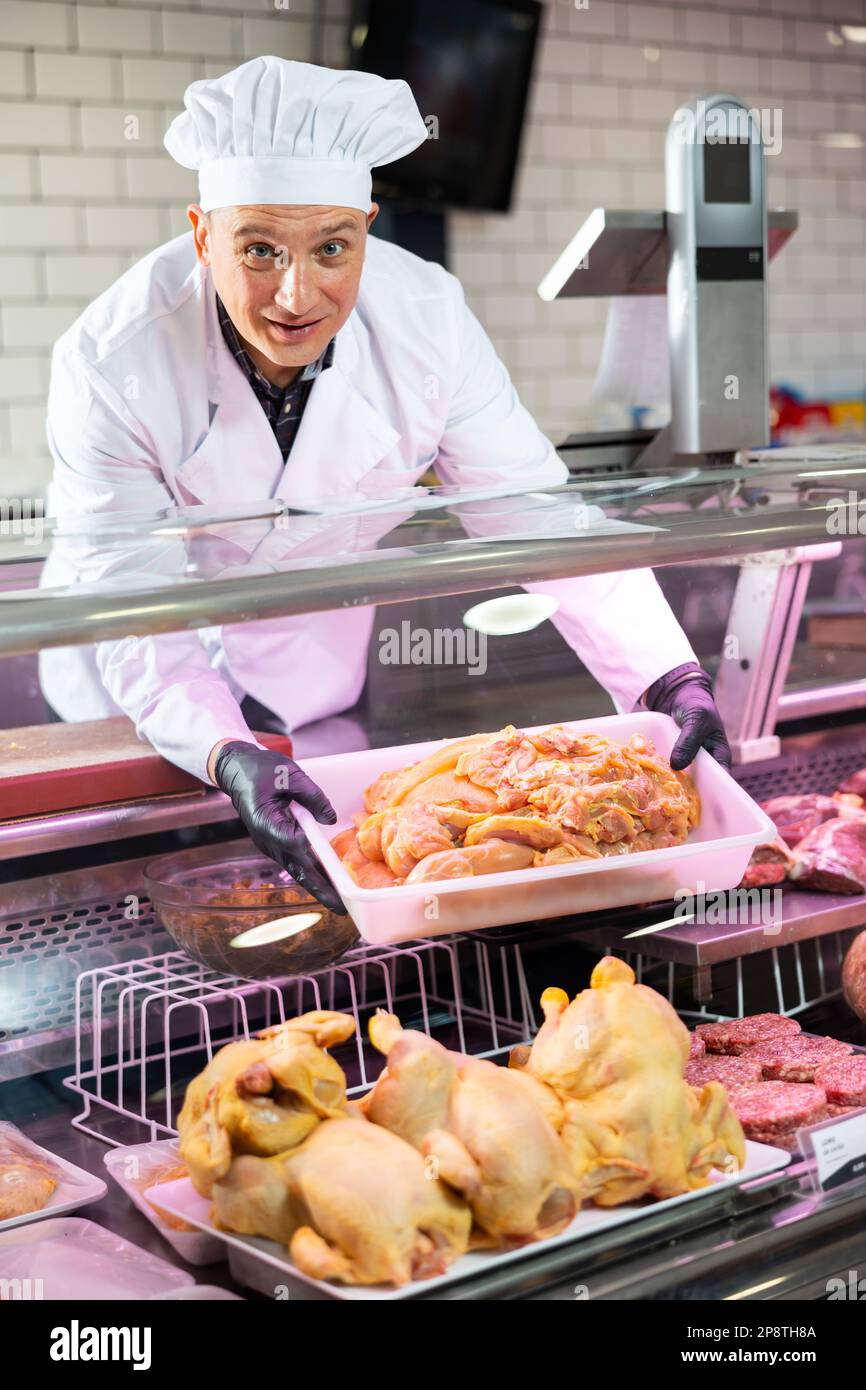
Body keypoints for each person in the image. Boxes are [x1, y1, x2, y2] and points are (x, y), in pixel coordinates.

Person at [41, 56, 730, 912]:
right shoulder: (114, 358)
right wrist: (220, 750)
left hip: (311, 687)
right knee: (154, 903)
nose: (297, 295)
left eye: (333, 247)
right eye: (259, 249)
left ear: (368, 225)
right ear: (200, 234)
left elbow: (534, 516)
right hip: (138, 709)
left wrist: (666, 676)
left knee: (323, 921)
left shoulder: (427, 320)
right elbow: (132, 604)